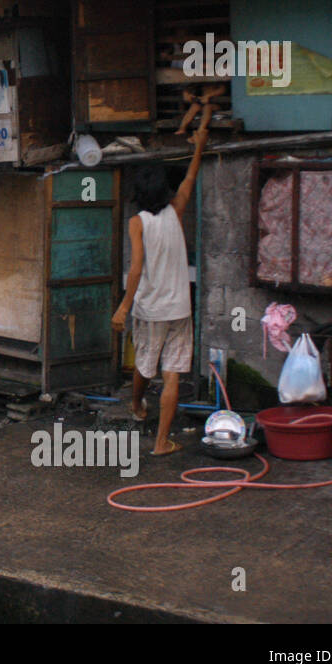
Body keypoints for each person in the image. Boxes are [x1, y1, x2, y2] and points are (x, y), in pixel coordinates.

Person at [111, 123, 208, 456]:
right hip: (180, 308)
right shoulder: (176, 210)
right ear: (164, 191)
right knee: (171, 375)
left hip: (151, 309)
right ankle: (161, 442)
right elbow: (190, 177)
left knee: (145, 362)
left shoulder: (137, 222)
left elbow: (136, 268)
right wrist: (199, 146)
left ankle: (137, 404)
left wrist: (124, 307)